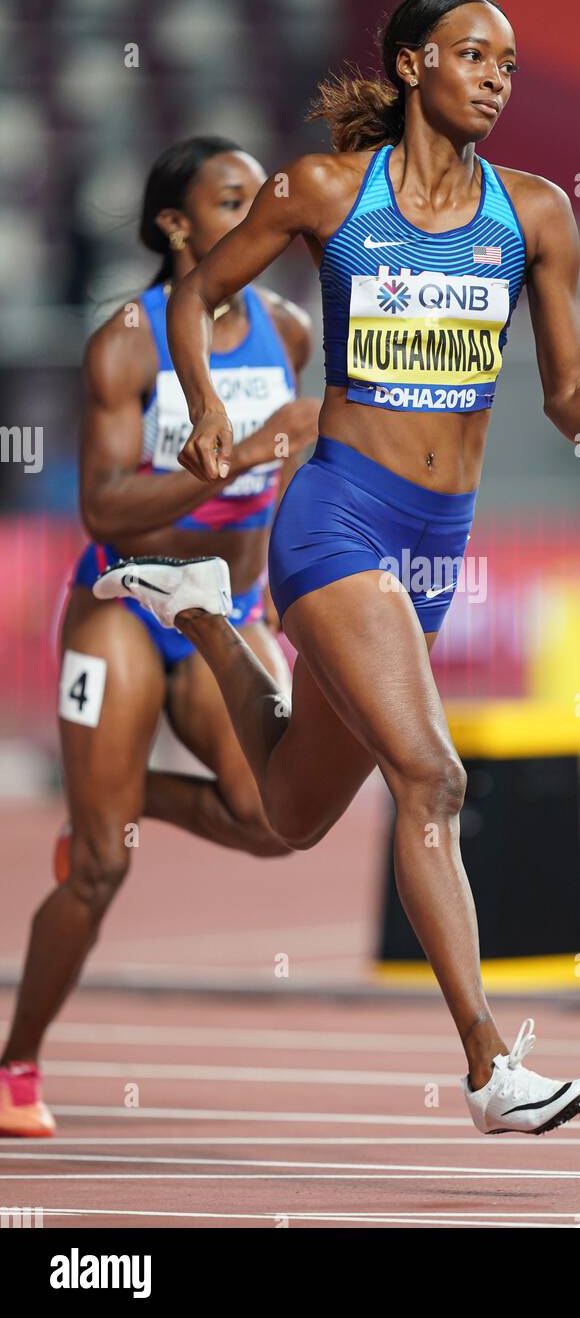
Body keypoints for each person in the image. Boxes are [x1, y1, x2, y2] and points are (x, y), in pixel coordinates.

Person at [88, 0, 580, 1136]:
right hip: (336, 517)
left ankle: (201, 612)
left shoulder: (534, 213)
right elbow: (196, 295)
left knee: (290, 814)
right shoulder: (324, 190)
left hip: (437, 544)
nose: (496, 77)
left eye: (509, 61)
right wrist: (200, 402)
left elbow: (561, 389)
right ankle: (490, 1065)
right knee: (432, 778)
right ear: (409, 65)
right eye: (472, 55)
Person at [0, 137, 320, 1137]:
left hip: (221, 610)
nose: (257, 213)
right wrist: (231, 463)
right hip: (125, 602)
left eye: (261, 196)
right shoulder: (125, 344)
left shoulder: (291, 331)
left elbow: (298, 470)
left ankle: (119, 793)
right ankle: (15, 1065)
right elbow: (103, 509)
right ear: (176, 228)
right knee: (101, 867)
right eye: (231, 201)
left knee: (275, 818)